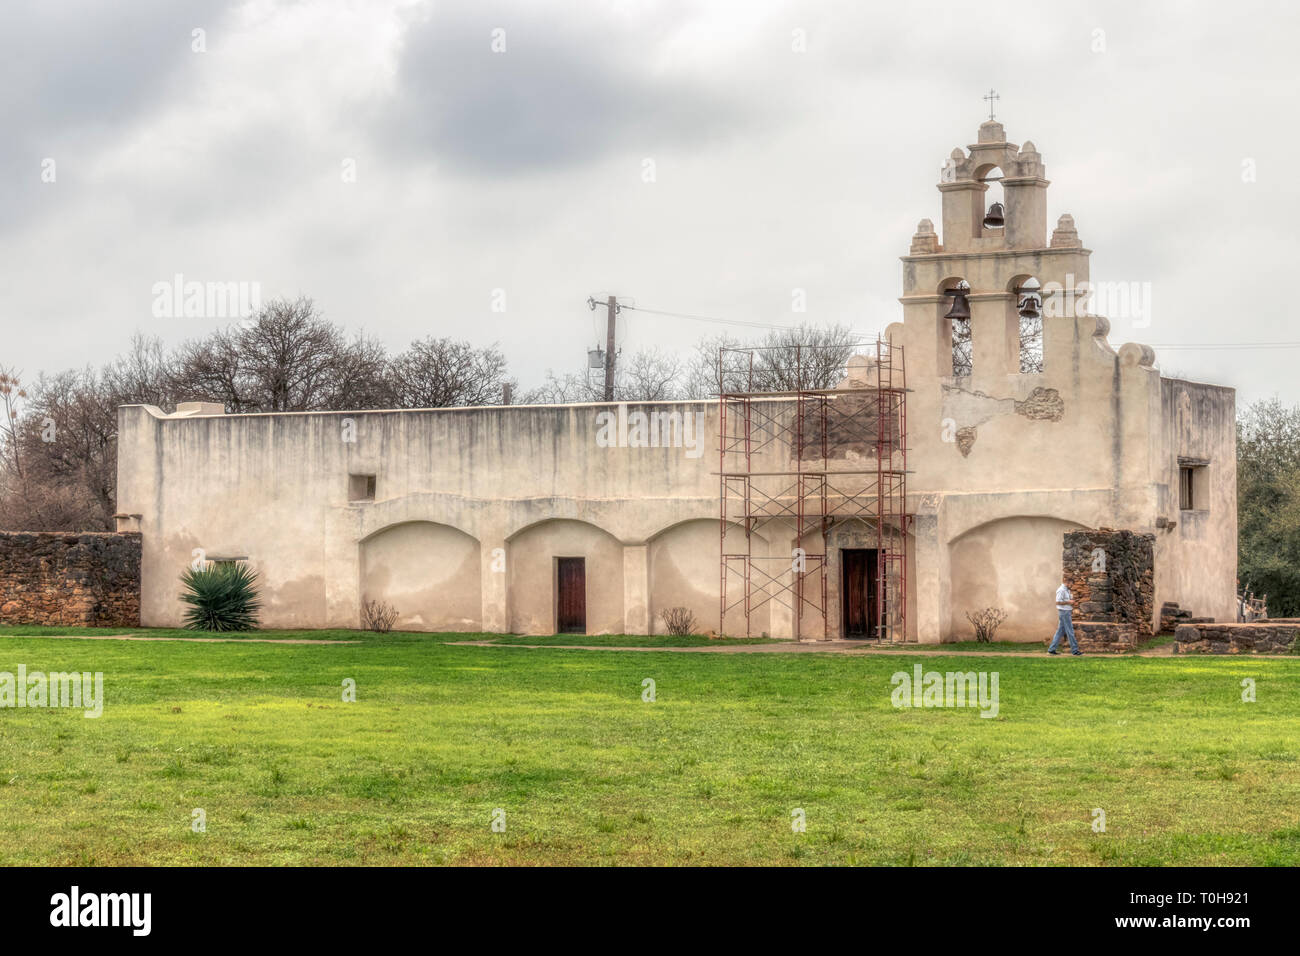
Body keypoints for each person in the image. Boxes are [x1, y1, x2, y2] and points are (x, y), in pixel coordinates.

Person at [1048, 580, 1082, 655]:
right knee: (1070, 631)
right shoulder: (1061, 590)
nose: (1071, 586)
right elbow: (1057, 602)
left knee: (1060, 631)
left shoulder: (1067, 590)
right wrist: (1069, 602)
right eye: (1071, 584)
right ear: (1067, 582)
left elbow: (1065, 601)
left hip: (1066, 611)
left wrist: (1071, 602)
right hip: (1064, 612)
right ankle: (1075, 650)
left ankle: (1051, 649)